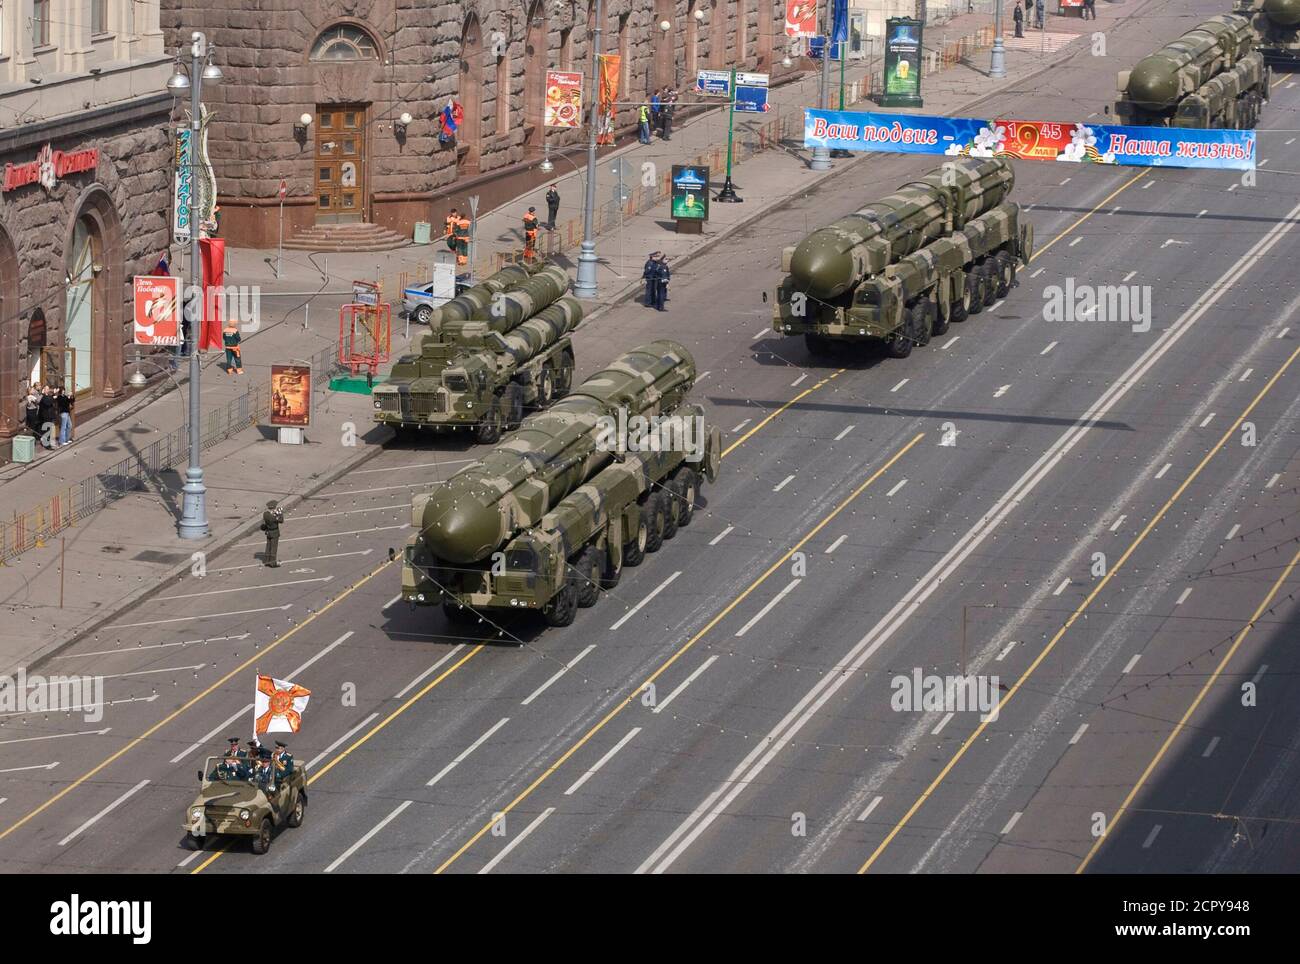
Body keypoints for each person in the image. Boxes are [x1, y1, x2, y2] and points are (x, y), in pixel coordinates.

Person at [261, 500, 283, 568]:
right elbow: (281, 520)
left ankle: (267, 561)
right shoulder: (273, 516)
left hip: (268, 532)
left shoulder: (265, 514)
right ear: (274, 507)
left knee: (268, 546)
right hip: (274, 532)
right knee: (274, 547)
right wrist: (279, 513)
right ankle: (273, 563)